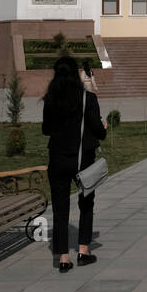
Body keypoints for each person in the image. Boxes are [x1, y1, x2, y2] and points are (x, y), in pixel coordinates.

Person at [41, 55, 106, 273]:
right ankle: (83, 250)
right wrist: (103, 127)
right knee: (86, 204)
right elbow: (98, 131)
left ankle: (63, 257)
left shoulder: (51, 99)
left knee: (60, 209)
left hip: (58, 160)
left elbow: (46, 130)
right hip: (83, 160)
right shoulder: (88, 99)